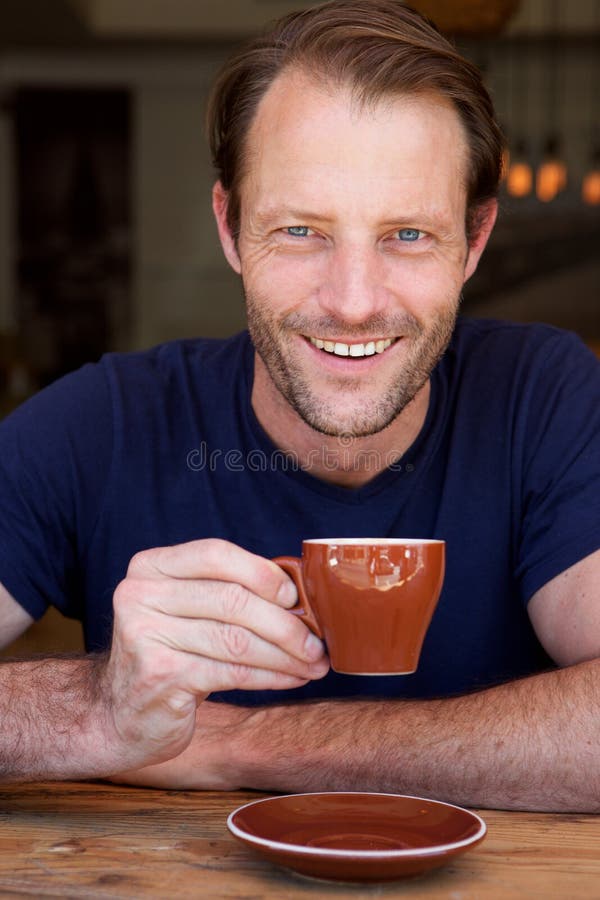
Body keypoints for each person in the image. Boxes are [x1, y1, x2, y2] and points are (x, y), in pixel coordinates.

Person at [0, 0, 599, 811]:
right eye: (301, 231)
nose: (353, 303)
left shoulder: (544, 398)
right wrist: (95, 711)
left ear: (475, 240)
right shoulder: (98, 425)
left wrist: (241, 743)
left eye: (408, 236)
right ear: (229, 226)